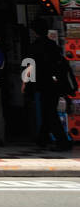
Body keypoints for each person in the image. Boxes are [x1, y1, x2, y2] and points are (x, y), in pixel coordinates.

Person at [24, 18, 75, 151]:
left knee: (50, 112)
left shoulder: (35, 46)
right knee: (48, 110)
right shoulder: (53, 45)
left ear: (34, 31)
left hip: (44, 83)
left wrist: (25, 82)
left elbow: (29, 65)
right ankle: (43, 138)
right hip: (56, 83)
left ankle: (62, 141)